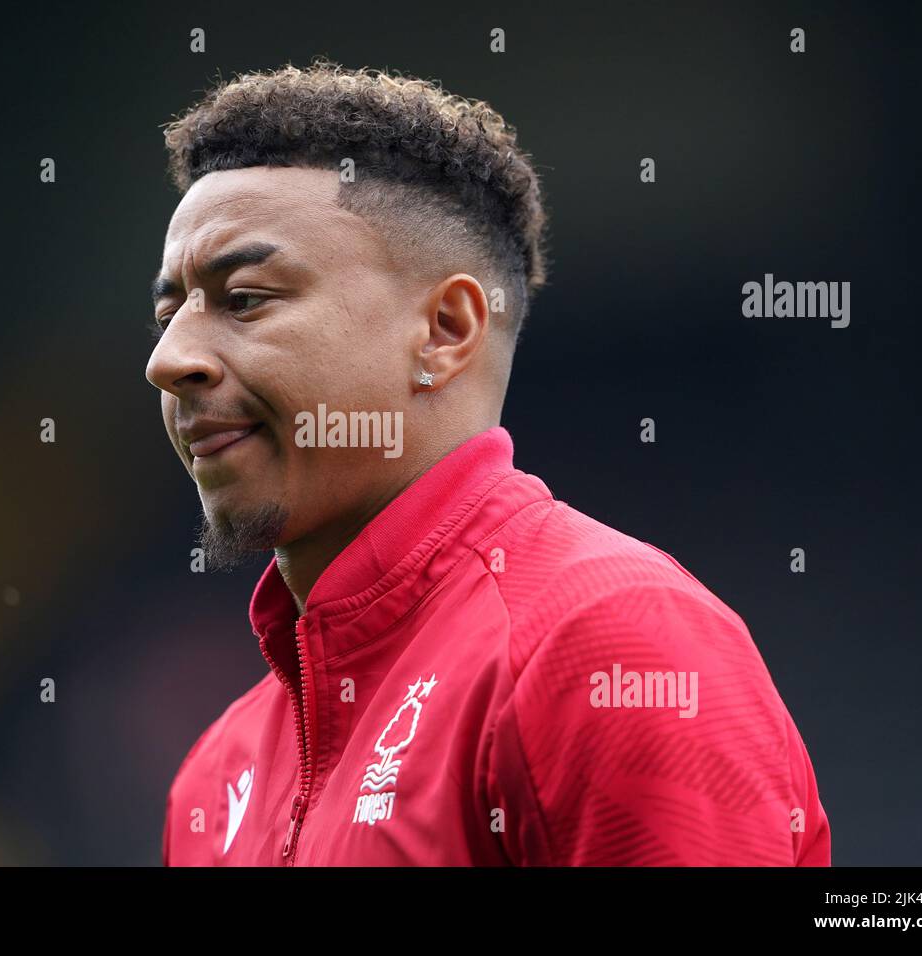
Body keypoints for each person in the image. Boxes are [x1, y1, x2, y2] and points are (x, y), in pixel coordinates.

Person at [147, 60, 830, 865]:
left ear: (445, 329)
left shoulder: (607, 641)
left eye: (246, 298)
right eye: (168, 312)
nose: (170, 358)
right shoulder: (215, 773)